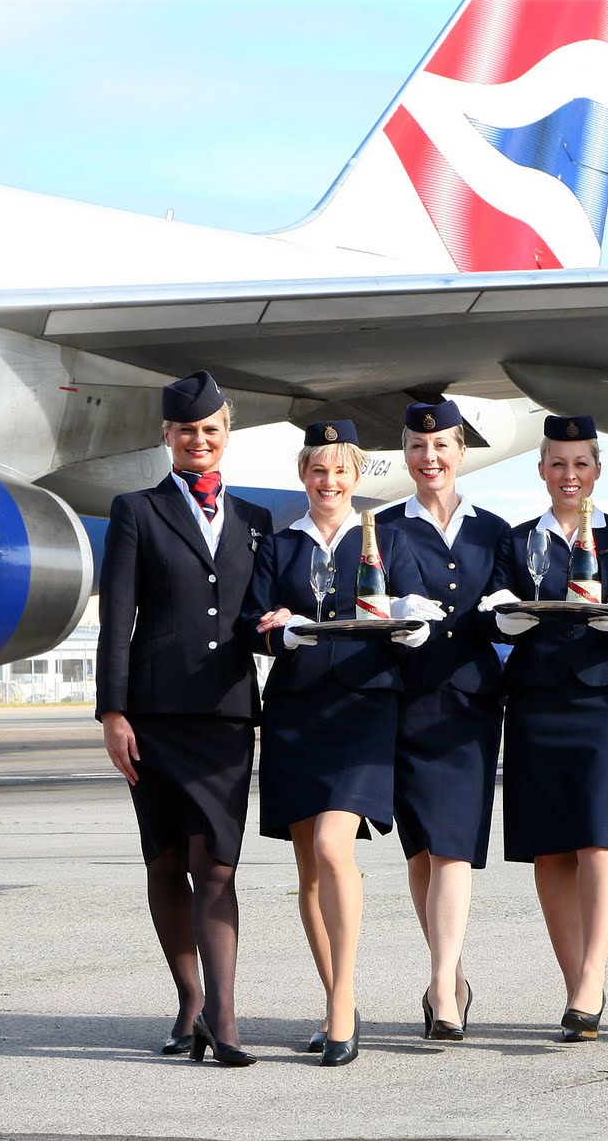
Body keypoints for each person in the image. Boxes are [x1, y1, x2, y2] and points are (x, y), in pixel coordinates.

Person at [95, 370, 273, 1067]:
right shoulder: (135, 510)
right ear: (166, 437)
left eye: (211, 430)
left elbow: (261, 616)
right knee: (167, 857)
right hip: (154, 714)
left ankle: (225, 1017)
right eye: (186, 431)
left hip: (226, 714)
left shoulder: (257, 519)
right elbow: (117, 619)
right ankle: (191, 999)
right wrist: (113, 709)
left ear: (226, 433)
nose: (199, 441)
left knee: (219, 864)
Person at [246, 420, 433, 1067]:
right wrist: (279, 634)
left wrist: (412, 627)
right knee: (307, 871)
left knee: (333, 846)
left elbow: (411, 610)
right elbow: (253, 621)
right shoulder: (279, 545)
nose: (329, 482)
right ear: (304, 476)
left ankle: (344, 1001)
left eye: (340, 471)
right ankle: (336, 1002)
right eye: (318, 471)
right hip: (297, 713)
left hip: (362, 711)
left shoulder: (383, 537)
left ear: (357, 477)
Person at [481, 414, 608, 1042]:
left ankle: (591, 980)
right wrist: (506, 618)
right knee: (549, 847)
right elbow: (496, 609)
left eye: (580, 463)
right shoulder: (519, 538)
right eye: (557, 463)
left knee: (600, 839)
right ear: (542, 470)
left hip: (601, 701)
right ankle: (576, 982)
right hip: (534, 702)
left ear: (597, 470)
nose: (569, 475)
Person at [375, 400, 510, 1042]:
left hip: (469, 708)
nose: (430, 459)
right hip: (404, 704)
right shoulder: (383, 530)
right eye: (418, 447)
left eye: (443, 446)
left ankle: (441, 988)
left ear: (462, 451)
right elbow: (364, 605)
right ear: (406, 452)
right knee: (423, 852)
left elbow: (507, 607)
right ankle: (451, 974)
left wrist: (505, 614)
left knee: (454, 847)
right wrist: (390, 612)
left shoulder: (495, 531)